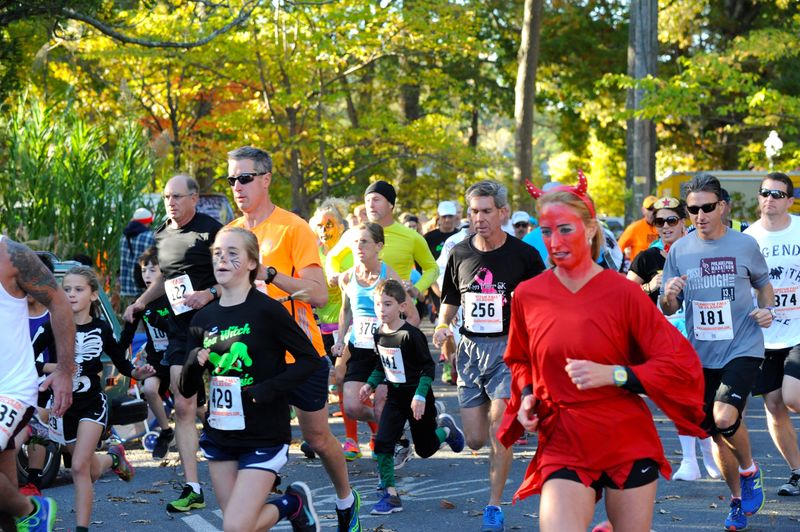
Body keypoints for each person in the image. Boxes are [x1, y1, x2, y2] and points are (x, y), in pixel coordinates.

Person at [499, 173, 706, 532]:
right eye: (546, 232)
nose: (554, 241)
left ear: (591, 228)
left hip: (624, 436)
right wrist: (529, 395)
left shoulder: (623, 293)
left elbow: (677, 362)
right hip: (563, 435)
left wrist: (616, 374)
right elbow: (520, 360)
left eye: (565, 229)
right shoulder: (528, 295)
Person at [225, 146, 361, 531]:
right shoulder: (229, 234)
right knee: (253, 440)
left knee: (317, 438)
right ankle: (284, 504)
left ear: (266, 179)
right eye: (232, 179)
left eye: (245, 178)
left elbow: (317, 294)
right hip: (252, 360)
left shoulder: (293, 228)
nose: (238, 186)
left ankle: (346, 500)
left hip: (299, 355)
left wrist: (269, 275)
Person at [180, 227, 324, 531]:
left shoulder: (267, 310)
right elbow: (187, 388)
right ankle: (292, 504)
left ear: (251, 264)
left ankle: (290, 504)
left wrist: (265, 390)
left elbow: (309, 360)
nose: (222, 259)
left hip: (264, 433)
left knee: (235, 526)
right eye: (218, 253)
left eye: (233, 254)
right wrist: (193, 362)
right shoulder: (202, 318)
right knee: (241, 526)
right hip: (220, 435)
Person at [661, 172, 774, 531]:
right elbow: (666, 306)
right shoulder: (679, 249)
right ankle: (738, 500)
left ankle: (750, 470)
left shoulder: (744, 245)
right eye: (692, 210)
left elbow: (764, 286)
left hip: (743, 345)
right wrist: (670, 294)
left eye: (707, 207)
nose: (699, 215)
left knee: (725, 417)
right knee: (714, 431)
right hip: (701, 353)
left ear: (722, 206)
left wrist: (766, 310)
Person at [433, 180, 545, 532]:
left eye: (486, 211)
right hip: (468, 351)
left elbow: (542, 303)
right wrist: (441, 326)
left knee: (499, 429)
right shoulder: (460, 253)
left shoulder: (524, 255)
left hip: (508, 351)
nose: (478, 218)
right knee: (477, 439)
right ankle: (452, 428)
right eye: (473, 211)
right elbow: (450, 299)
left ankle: (494, 506)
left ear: (503, 213)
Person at [124, 174, 223, 513]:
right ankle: (192, 486)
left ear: (194, 198)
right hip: (182, 331)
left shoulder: (213, 231)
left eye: (178, 197)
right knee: (184, 406)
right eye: (167, 197)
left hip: (219, 325)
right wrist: (141, 300)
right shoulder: (163, 232)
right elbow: (166, 278)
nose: (171, 203)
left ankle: (259, 464)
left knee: (234, 398)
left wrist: (208, 294)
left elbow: (238, 275)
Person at [35, 266, 155, 532]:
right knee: (87, 470)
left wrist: (138, 371)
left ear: (93, 294)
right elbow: (29, 361)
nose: (71, 294)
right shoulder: (51, 325)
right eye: (66, 289)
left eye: (78, 289)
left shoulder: (100, 329)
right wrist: (56, 368)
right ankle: (113, 459)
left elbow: (122, 363)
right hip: (62, 406)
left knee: (78, 467)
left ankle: (82, 528)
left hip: (92, 404)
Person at [626, 198, 721, 481]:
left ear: (683, 222)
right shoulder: (647, 258)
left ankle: (706, 455)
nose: (665, 226)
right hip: (664, 337)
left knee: (700, 397)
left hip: (703, 332)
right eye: (659, 222)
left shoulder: (700, 251)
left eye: (671, 220)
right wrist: (647, 286)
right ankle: (692, 461)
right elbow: (625, 295)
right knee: (683, 396)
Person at [360, 280, 465, 515]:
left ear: (402, 306)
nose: (382, 310)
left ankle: (446, 430)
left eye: (387, 304)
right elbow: (381, 365)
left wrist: (419, 395)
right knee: (384, 442)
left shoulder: (411, 335)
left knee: (425, 448)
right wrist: (370, 384)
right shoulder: (379, 333)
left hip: (419, 397)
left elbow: (428, 368)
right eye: (378, 304)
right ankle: (390, 495)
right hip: (396, 398)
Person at [0, 237, 74, 532]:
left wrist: (65, 371)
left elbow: (58, 301)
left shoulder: (10, 255)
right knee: (5, 508)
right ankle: (23, 513)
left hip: (11, 388)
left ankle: (33, 509)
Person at [332, 223, 418, 461]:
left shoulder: (388, 276)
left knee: (382, 405)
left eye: (364, 242)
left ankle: (391, 456)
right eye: (355, 241)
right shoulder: (348, 276)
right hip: (359, 348)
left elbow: (412, 316)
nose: (358, 247)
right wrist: (340, 340)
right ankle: (398, 421)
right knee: (351, 406)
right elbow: (346, 311)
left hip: (386, 351)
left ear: (379, 246)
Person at [744, 172, 800, 496]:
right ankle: (796, 472)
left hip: (798, 330)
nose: (770, 199)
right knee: (774, 405)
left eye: (778, 194)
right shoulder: (749, 238)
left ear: (790, 200)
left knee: (793, 397)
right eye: (765, 192)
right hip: (764, 335)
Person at [118, 247, 174, 460]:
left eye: (153, 269)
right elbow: (125, 338)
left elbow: (179, 331)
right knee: (149, 389)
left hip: (178, 357)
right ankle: (166, 431)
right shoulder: (140, 302)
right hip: (156, 359)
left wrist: (156, 319)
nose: (148, 275)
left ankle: (212, 430)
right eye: (144, 270)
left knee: (192, 406)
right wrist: (108, 347)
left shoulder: (173, 296)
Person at [118, 207, 156, 304]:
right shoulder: (149, 236)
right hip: (145, 289)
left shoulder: (124, 237)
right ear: (147, 222)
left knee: (131, 316)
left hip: (127, 288)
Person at [617, 195, 659, 261]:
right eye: (650, 209)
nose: (653, 212)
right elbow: (618, 248)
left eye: (656, 209)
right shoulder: (634, 228)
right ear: (643, 210)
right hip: (639, 270)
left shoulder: (665, 227)